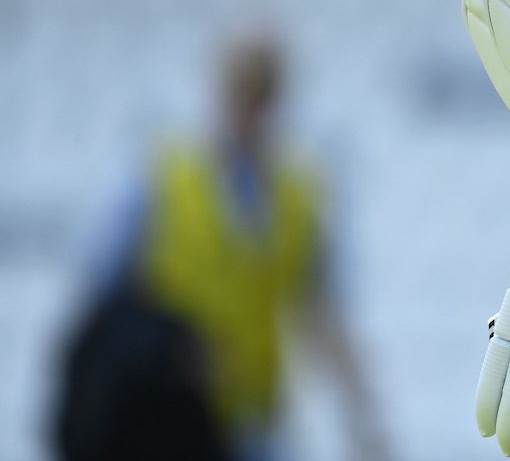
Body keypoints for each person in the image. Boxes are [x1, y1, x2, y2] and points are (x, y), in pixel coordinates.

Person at [64, 31, 387, 461]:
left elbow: (324, 314)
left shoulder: (298, 195)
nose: (250, 112)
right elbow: (101, 302)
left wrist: (363, 423)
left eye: (263, 94)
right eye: (242, 91)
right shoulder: (160, 178)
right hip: (164, 420)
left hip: (249, 419)